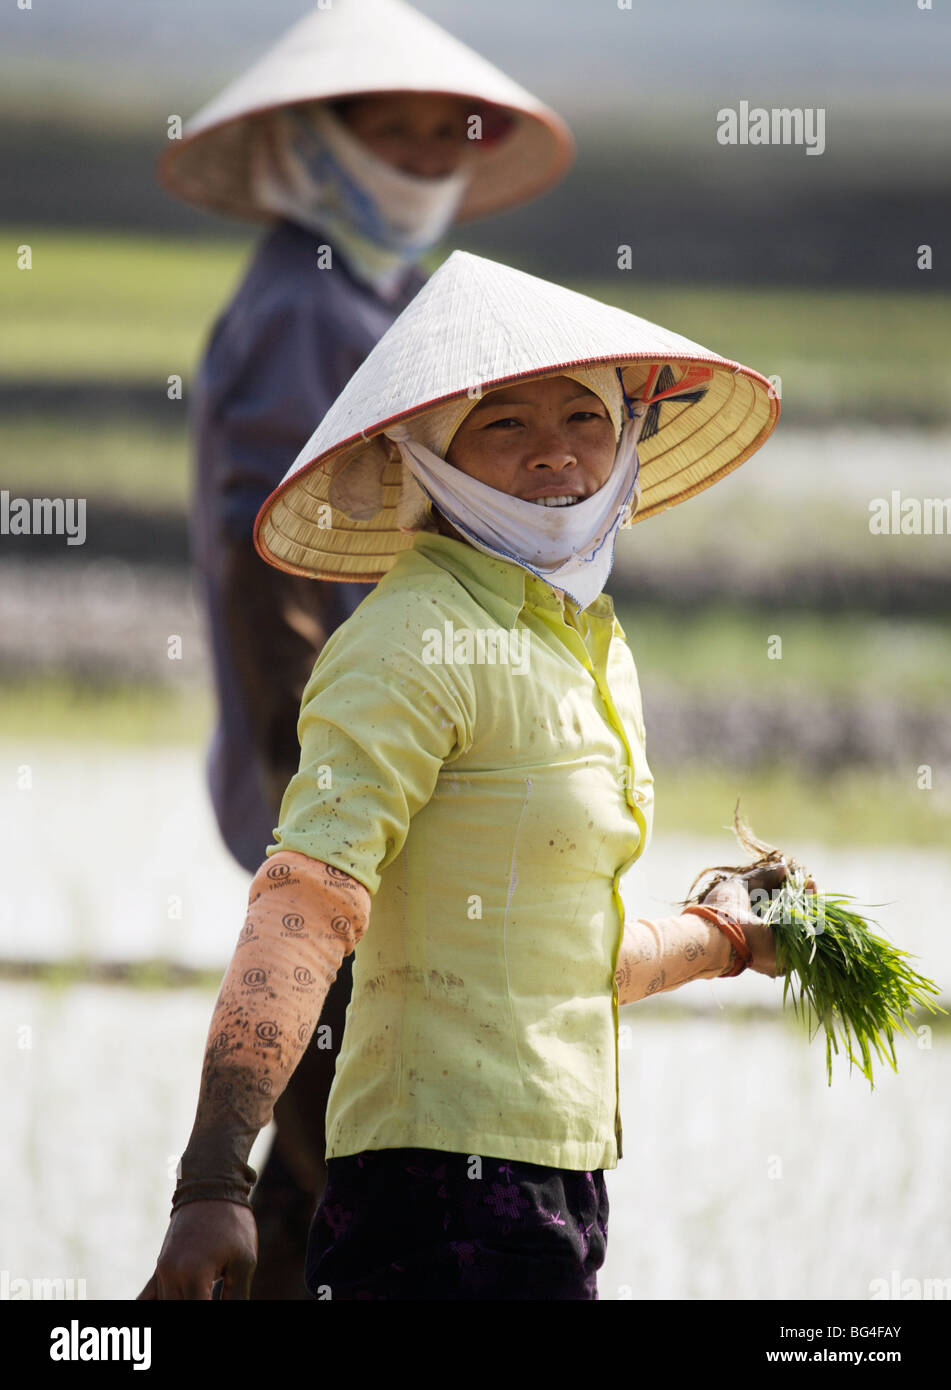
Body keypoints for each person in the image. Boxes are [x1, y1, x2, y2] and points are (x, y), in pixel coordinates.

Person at [139, 251, 783, 1301]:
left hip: (560, 1188)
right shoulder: (412, 636)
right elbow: (303, 905)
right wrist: (215, 1179)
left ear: (627, 438)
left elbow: (553, 954)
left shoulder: (585, 647)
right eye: (503, 424)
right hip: (432, 1203)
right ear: (433, 459)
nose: (554, 455)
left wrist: (723, 936)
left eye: (583, 417)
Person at [158, 0, 572, 1296]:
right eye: (382, 134)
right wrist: (325, 796)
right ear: (314, 142)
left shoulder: (367, 289)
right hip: (345, 791)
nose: (415, 159)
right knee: (362, 1155)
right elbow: (260, 554)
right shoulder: (301, 302)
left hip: (379, 771)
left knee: (314, 1169)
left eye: (439, 137)